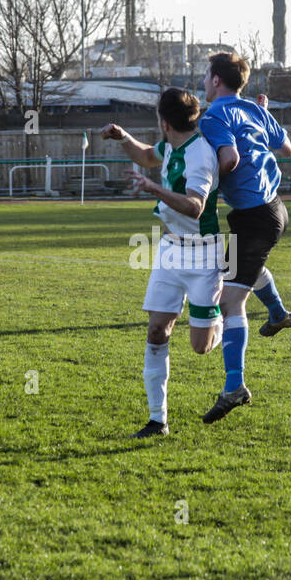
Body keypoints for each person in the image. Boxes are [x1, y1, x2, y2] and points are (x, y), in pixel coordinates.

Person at [102, 89, 223, 438]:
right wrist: (123, 136)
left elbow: (195, 206)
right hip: (170, 250)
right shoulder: (171, 144)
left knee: (200, 348)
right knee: (156, 331)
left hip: (204, 255)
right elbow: (146, 157)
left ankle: (232, 314)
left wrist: (153, 189)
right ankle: (158, 420)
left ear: (164, 121)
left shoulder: (200, 154)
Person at [194, 52, 291, 424]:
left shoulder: (215, 115)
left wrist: (202, 191)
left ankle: (234, 387)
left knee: (230, 302)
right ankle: (278, 313)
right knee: (243, 274)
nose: (203, 82)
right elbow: (287, 149)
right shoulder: (256, 110)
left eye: (206, 76)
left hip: (256, 216)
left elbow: (231, 159)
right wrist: (262, 117)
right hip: (270, 209)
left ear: (217, 80)